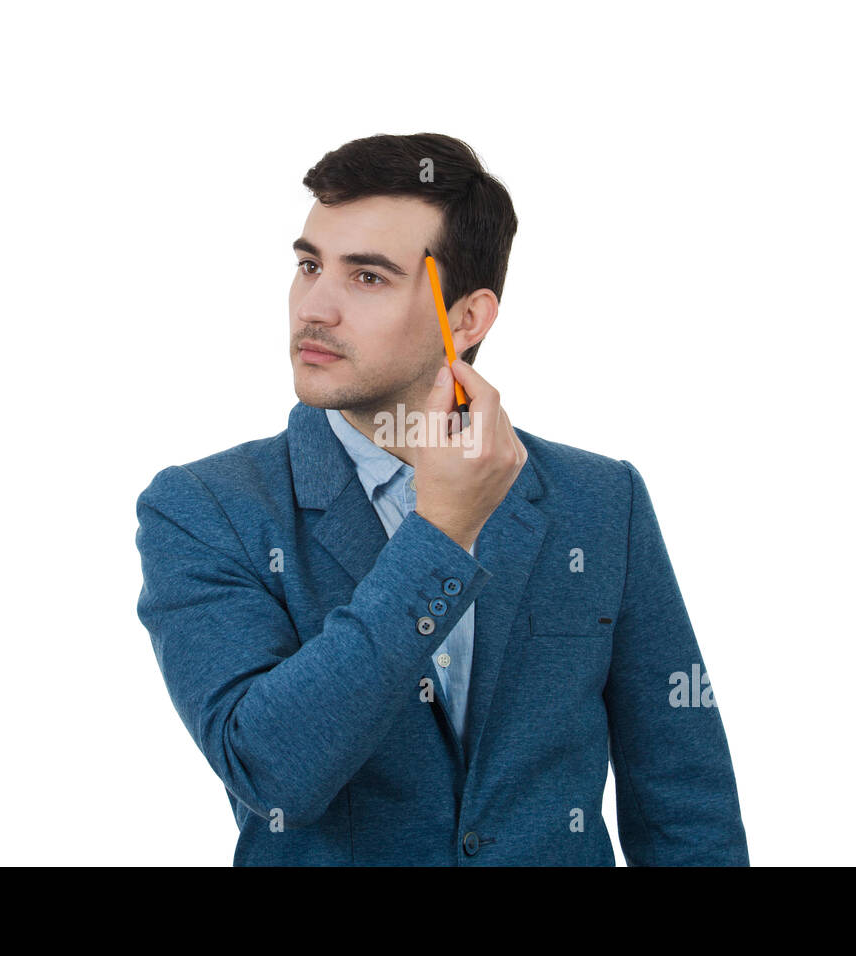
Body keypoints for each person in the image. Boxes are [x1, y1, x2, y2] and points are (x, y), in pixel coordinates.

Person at [134, 132, 749, 866]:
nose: (314, 309)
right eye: (308, 266)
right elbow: (275, 774)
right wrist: (442, 534)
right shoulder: (205, 509)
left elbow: (685, 799)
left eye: (367, 278)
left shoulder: (600, 499)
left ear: (467, 318)